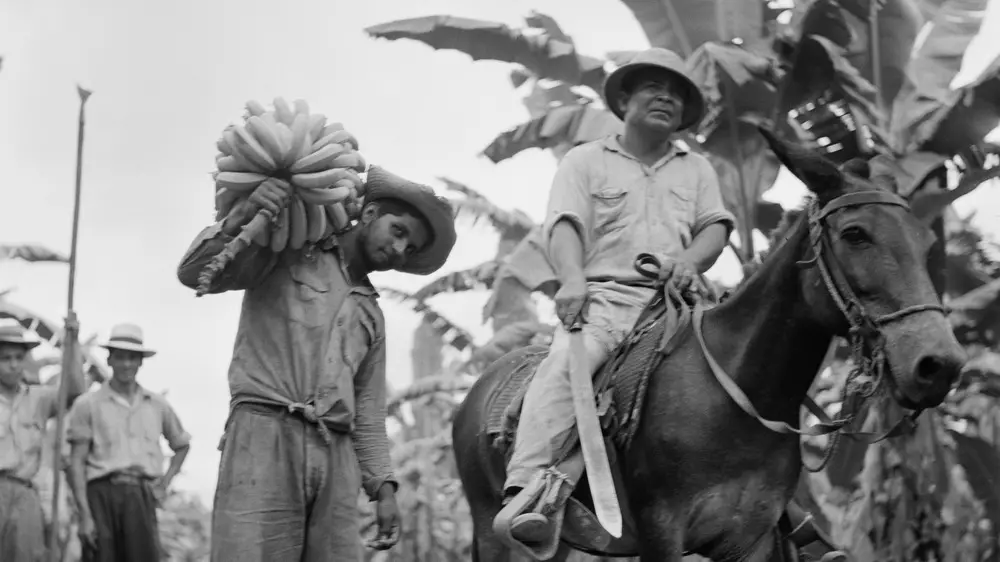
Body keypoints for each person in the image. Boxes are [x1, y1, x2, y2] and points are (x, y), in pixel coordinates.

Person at [175, 166, 457, 562]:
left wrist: (384, 489)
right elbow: (193, 273)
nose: (399, 250)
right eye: (399, 231)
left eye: (410, 248)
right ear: (371, 213)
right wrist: (243, 216)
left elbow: (370, 411)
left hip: (334, 452)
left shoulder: (371, 316)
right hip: (263, 433)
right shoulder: (289, 249)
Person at [66, 323, 191, 562]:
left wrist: (164, 484)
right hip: (100, 494)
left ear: (140, 362)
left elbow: (182, 444)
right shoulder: (88, 404)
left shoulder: (156, 404)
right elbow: (76, 462)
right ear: (110, 359)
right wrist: (84, 515)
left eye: (132, 358)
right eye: (120, 357)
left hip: (140, 496)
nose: (126, 364)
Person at [0, 319, 86, 562]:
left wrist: (73, 343)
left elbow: (75, 392)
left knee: (26, 554)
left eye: (18, 358)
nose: (13, 365)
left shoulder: (39, 398)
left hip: (25, 491)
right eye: (5, 358)